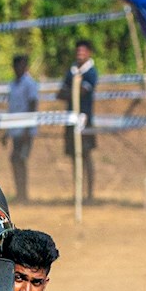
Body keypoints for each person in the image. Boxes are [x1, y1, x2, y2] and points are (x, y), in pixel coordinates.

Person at [58, 41, 99, 201]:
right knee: (74, 157)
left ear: (89, 53)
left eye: (83, 51)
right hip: (71, 120)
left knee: (86, 156)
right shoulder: (72, 71)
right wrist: (72, 91)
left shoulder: (91, 72)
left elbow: (81, 92)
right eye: (78, 51)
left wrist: (71, 91)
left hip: (85, 120)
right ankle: (78, 192)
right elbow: (60, 93)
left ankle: (89, 193)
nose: (80, 54)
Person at [4, 53, 39, 202]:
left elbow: (33, 104)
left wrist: (27, 128)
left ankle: (23, 193)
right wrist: (6, 132)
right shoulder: (12, 85)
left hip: (25, 130)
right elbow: (11, 108)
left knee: (20, 159)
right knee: (15, 159)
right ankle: (20, 192)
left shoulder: (30, 84)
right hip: (15, 129)